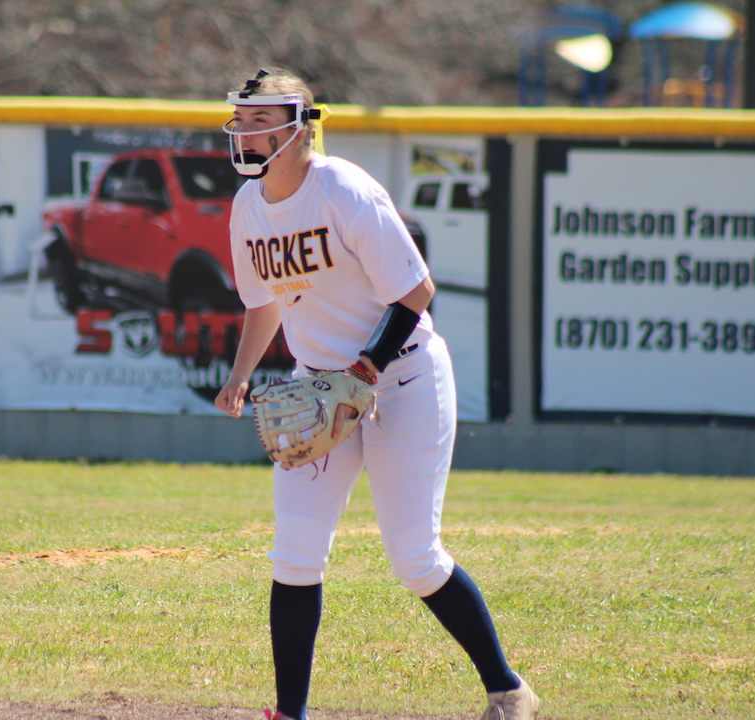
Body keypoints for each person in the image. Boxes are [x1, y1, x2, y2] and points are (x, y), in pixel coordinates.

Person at [214, 69, 541, 720]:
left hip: (404, 377)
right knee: (295, 553)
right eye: (241, 120)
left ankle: (508, 691)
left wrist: (366, 368)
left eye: (260, 120)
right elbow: (262, 305)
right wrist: (240, 370)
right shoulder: (247, 208)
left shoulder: (343, 189)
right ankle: (290, 713)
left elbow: (416, 293)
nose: (245, 133)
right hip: (319, 386)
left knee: (416, 558)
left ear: (298, 127)